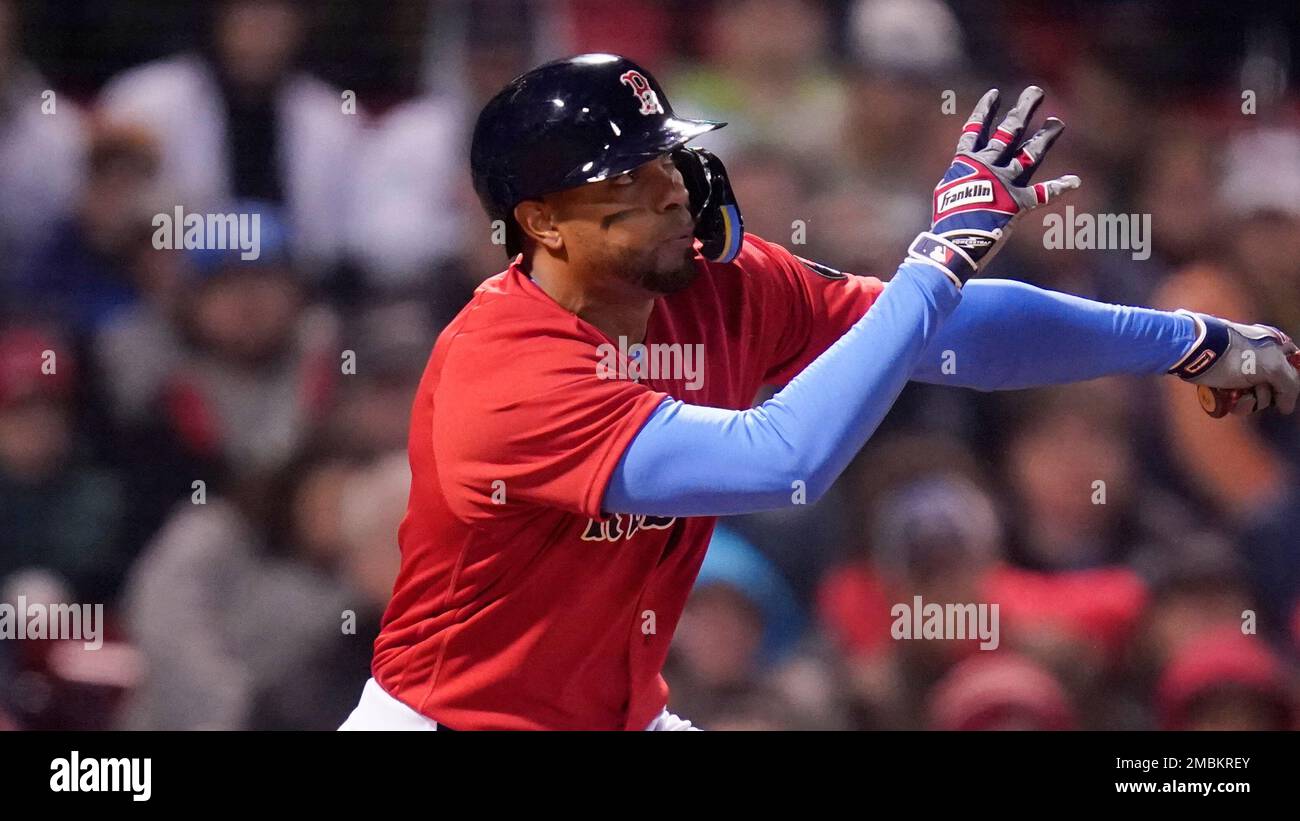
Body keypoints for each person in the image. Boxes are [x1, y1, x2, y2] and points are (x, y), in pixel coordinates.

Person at [340, 53, 1300, 731]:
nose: (675, 187)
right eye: (629, 177)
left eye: (669, 155)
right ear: (542, 222)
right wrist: (937, 258)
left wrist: (1184, 339)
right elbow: (781, 462)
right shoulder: (504, 371)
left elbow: (936, 333)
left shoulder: (715, 281)